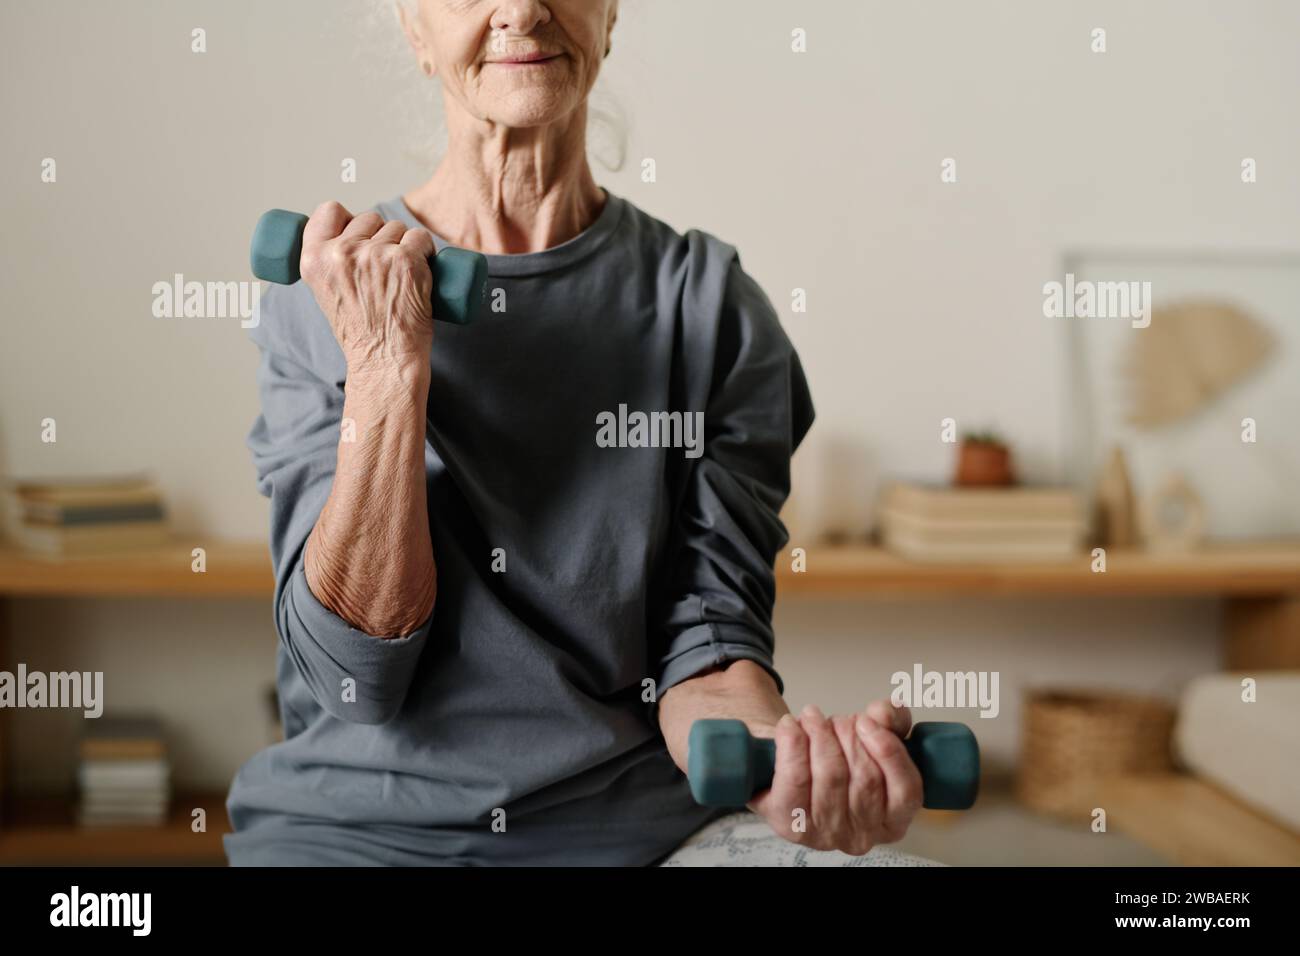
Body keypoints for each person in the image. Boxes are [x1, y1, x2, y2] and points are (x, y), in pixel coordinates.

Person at [224, 0, 928, 866]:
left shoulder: (709, 308)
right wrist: (385, 366)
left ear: (611, 12)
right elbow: (355, 678)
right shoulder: (327, 292)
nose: (521, 8)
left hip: (634, 840)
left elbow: (707, 650)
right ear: (413, 26)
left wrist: (786, 766)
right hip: (361, 839)